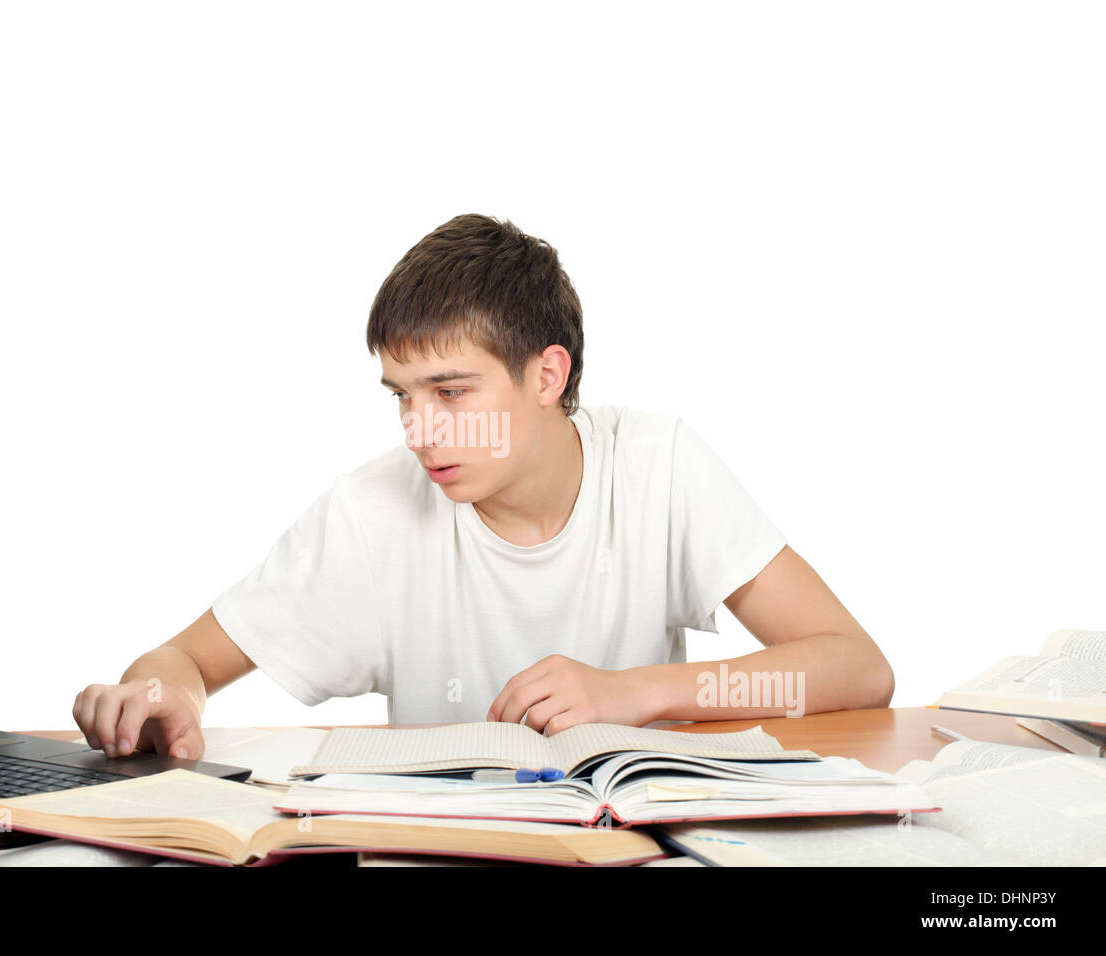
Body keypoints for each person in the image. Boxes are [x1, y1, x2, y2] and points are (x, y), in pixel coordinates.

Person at [73, 213, 894, 760]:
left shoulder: (660, 465)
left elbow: (854, 667)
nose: (419, 430)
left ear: (547, 374)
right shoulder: (374, 512)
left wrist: (635, 694)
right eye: (403, 396)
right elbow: (181, 659)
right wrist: (159, 694)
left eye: (451, 392)